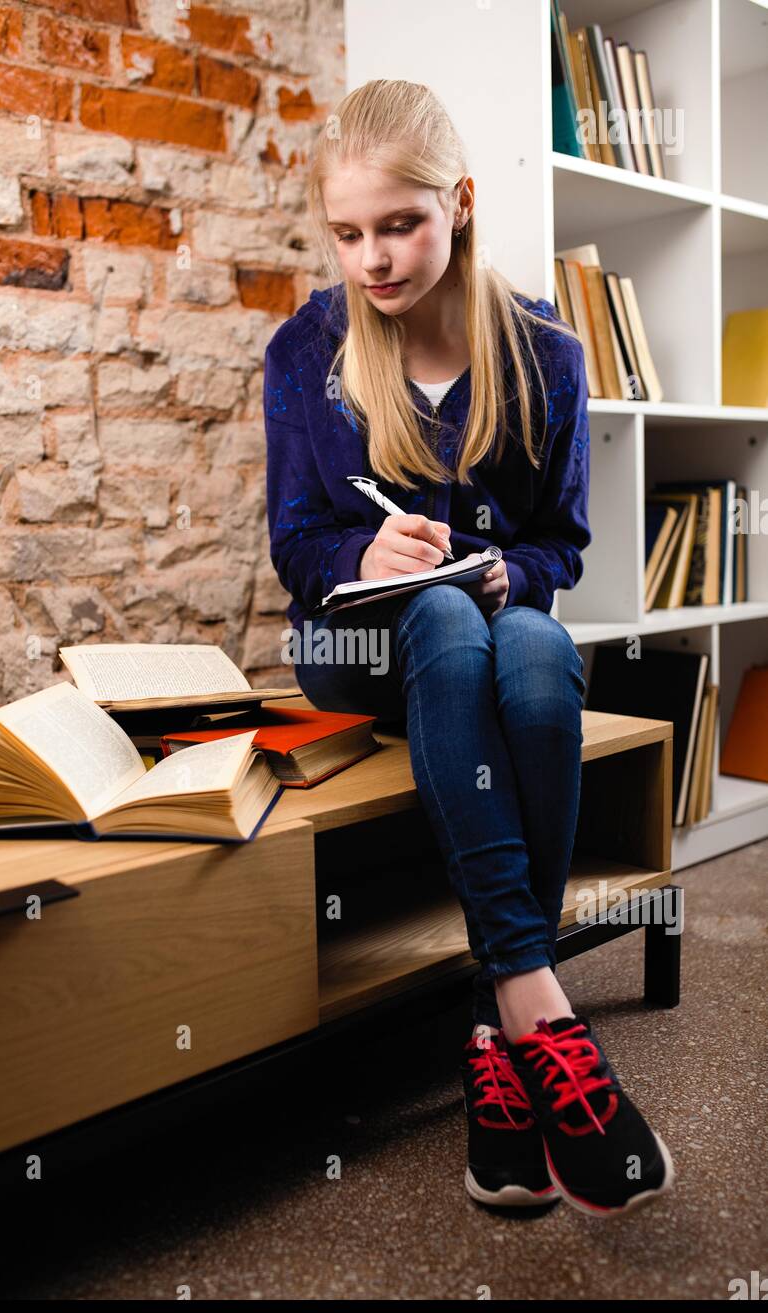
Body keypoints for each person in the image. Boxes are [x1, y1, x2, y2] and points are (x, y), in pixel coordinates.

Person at [264, 79, 673, 1219]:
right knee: (444, 617)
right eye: (347, 233)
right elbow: (295, 549)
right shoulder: (305, 351)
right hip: (354, 642)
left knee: (533, 646)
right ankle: (537, 998)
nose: (373, 260)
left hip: (490, 633)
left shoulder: (542, 348)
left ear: (460, 202)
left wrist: (506, 569)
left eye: (398, 225)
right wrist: (368, 549)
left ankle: (501, 1051)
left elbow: (560, 546)